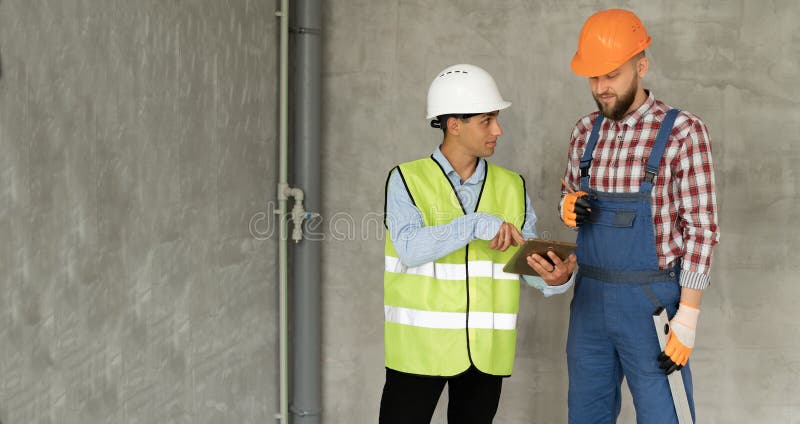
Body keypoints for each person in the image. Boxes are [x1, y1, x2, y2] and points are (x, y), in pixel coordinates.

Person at [379, 63, 577, 424]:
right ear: (454, 124)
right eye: (487, 121)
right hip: (420, 351)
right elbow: (409, 248)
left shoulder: (512, 186)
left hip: (484, 353)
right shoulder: (406, 179)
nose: (498, 130)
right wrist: (474, 224)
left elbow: (525, 263)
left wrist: (555, 278)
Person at [559, 9, 720, 423]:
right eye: (593, 78)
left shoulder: (683, 132)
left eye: (610, 75)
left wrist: (688, 316)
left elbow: (701, 231)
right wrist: (568, 206)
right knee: (586, 414)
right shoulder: (585, 131)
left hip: (653, 308)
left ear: (641, 66)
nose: (600, 88)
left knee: (664, 415)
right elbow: (569, 194)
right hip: (590, 302)